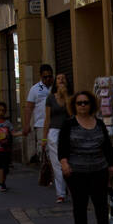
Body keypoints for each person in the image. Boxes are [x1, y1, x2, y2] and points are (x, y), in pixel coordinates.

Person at [58, 90, 113, 224]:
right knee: (80, 204)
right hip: (76, 171)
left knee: (101, 203)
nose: (83, 105)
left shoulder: (99, 123)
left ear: (91, 105)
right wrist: (64, 164)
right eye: (79, 103)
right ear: (74, 106)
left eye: (86, 102)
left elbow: (107, 147)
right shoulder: (68, 124)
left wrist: (111, 165)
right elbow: (62, 148)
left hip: (99, 169)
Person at [42, 73, 71, 203]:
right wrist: (43, 139)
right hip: (53, 132)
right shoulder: (50, 98)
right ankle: (61, 193)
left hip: (68, 132)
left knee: (70, 161)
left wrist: (65, 96)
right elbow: (47, 119)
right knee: (57, 164)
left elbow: (72, 114)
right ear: (55, 82)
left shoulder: (71, 97)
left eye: (63, 78)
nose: (61, 80)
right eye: (58, 78)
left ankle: (71, 188)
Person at [23, 63, 55, 162]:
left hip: (56, 124)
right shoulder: (35, 89)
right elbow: (29, 108)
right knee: (44, 151)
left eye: (50, 76)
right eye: (45, 77)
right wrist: (27, 124)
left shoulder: (56, 87)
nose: (48, 79)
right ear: (41, 76)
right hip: (41, 125)